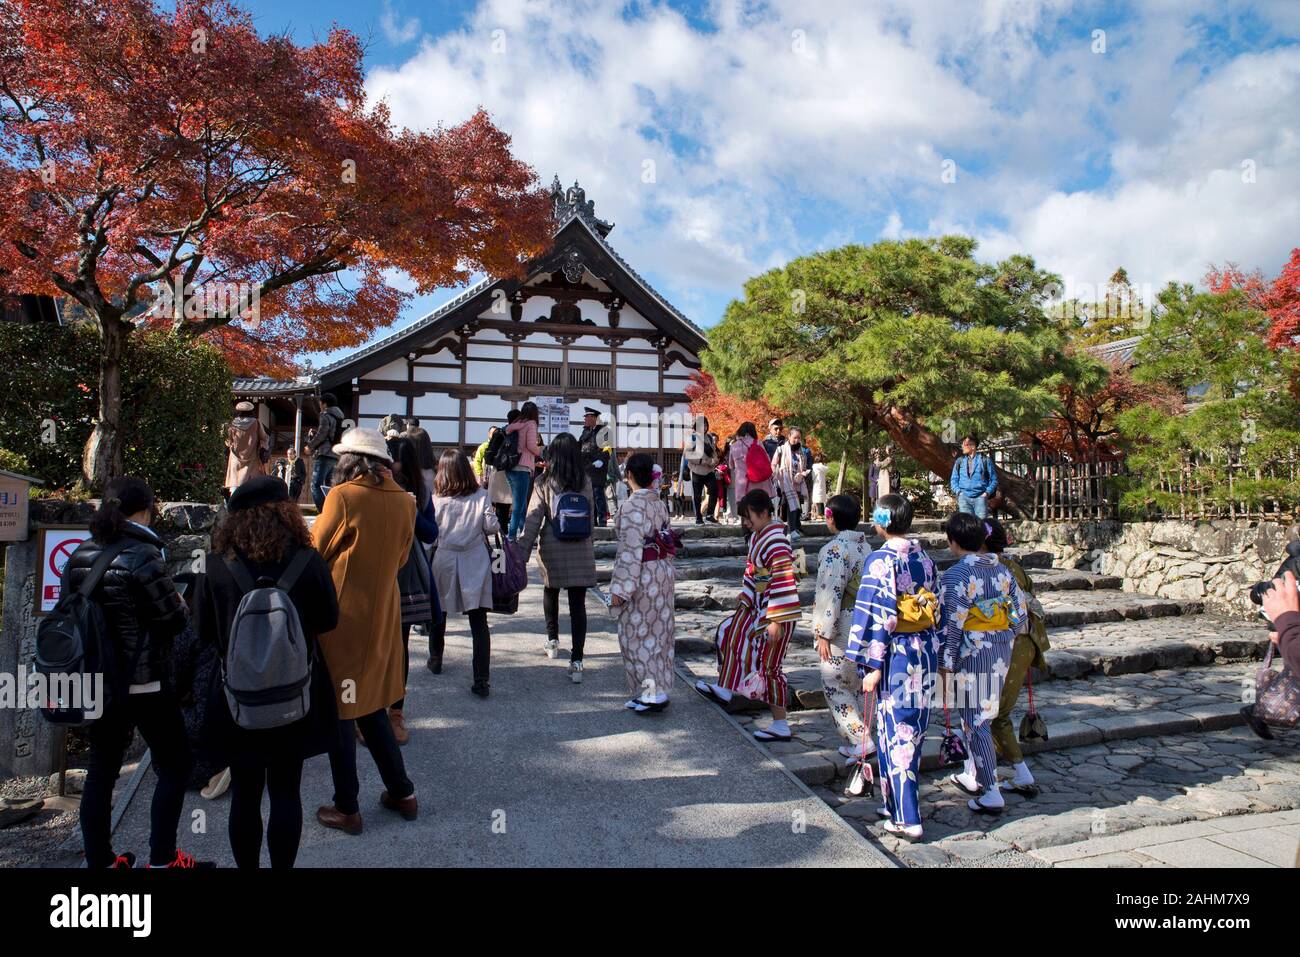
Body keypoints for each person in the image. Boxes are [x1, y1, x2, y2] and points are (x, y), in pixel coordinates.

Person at [195, 477, 339, 868]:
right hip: (295, 696)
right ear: (288, 512)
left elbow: (201, 631)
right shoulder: (307, 561)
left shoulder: (216, 565)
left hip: (236, 697)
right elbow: (329, 619)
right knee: (286, 792)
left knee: (244, 792)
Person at [63, 477, 198, 868]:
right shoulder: (144, 555)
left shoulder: (79, 555)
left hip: (97, 682)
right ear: (145, 509)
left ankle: (102, 862)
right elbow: (173, 622)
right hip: (145, 680)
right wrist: (180, 602)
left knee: (101, 770)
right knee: (174, 764)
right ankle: (162, 859)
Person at [312, 428, 418, 834]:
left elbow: (317, 549)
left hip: (345, 614)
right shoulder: (405, 501)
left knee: (343, 708)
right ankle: (402, 791)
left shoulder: (343, 496)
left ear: (349, 461)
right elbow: (405, 555)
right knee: (369, 704)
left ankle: (347, 806)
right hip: (385, 612)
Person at [845, 493, 940, 841]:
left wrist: (871, 665)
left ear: (883, 522)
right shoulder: (925, 559)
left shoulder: (881, 562)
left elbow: (877, 616)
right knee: (907, 729)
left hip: (895, 654)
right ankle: (891, 802)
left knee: (898, 732)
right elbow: (936, 606)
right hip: (924, 650)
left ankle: (908, 818)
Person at [938, 510, 1026, 816]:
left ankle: (991, 791)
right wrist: (1001, 634)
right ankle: (972, 773)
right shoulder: (1004, 572)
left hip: (971, 652)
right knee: (978, 715)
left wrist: (946, 662)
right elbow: (1020, 617)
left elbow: (951, 624)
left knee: (977, 720)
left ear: (953, 541)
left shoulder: (956, 576)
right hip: (1001, 648)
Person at [698, 489, 802, 741]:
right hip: (759, 604)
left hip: (775, 610)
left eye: (749, 517)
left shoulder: (776, 541)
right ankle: (725, 687)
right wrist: (746, 597)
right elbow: (753, 572)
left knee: (770, 666)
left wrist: (776, 619)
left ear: (765, 513)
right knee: (729, 633)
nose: (746, 523)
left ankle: (780, 724)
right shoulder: (760, 536)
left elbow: (783, 581)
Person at [517, 432, 596, 682]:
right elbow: (591, 517)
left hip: (553, 546)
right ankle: (578, 661)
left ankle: (552, 642)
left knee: (551, 591)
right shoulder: (585, 480)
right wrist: (588, 544)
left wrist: (521, 553)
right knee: (578, 605)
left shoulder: (543, 482)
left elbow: (532, 520)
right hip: (580, 547)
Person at [983, 518, 1049, 796]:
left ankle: (1020, 773)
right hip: (1022, 642)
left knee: (995, 714)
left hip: (1009, 643)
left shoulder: (992, 570)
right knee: (991, 712)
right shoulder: (1013, 567)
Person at [810, 494, 875, 765]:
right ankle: (864, 737)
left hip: (842, 626)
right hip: (865, 624)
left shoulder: (835, 550)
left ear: (831, 518)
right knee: (856, 685)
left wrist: (823, 632)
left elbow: (830, 592)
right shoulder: (867, 548)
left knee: (835, 684)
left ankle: (862, 740)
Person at [609, 452, 676, 712]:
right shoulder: (659, 503)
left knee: (636, 635)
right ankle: (653, 691)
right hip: (662, 572)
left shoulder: (630, 506)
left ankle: (650, 694)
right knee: (659, 634)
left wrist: (620, 590)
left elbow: (629, 550)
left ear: (629, 476)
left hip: (640, 575)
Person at [429, 449, 500, 697]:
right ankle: (481, 679)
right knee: (478, 621)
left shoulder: (436, 498)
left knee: (440, 612)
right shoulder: (480, 495)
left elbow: (430, 535)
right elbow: (492, 527)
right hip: (474, 558)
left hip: (445, 558)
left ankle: (435, 657)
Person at [387, 435, 440, 737]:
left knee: (400, 643)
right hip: (377, 567)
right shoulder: (372, 485)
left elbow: (431, 533)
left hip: (405, 571)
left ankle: (396, 711)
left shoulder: (418, 491)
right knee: (376, 645)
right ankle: (364, 709)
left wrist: (412, 511)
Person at [504, 402, 544, 540]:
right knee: (519, 505)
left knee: (519, 503)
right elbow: (532, 446)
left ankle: (522, 533)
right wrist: (542, 450)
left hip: (510, 467)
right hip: (522, 467)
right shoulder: (531, 424)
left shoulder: (515, 424)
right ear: (534, 413)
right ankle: (512, 536)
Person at [727, 421, 775, 517]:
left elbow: (731, 465)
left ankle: (746, 531)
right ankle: (760, 530)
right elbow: (767, 460)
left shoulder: (733, 446)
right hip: (759, 482)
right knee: (759, 508)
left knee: (744, 509)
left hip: (743, 483)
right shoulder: (758, 443)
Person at [307, 393, 344, 509]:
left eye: (320, 403)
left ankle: (323, 511)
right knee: (329, 485)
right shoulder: (339, 416)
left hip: (324, 453)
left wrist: (310, 445)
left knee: (316, 484)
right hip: (335, 454)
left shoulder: (325, 415)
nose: (320, 405)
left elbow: (322, 434)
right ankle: (332, 510)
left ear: (324, 404)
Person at [771, 426, 809, 540]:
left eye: (799, 438)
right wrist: (777, 474)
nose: (797, 440)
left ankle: (791, 530)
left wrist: (802, 474)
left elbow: (805, 466)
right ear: (789, 437)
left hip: (797, 482)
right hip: (784, 481)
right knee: (788, 506)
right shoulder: (781, 449)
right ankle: (790, 530)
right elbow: (773, 464)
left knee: (794, 507)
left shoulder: (802, 451)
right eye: (794, 438)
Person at [578, 407, 614, 527]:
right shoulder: (585, 431)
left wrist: (601, 460)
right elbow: (580, 445)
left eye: (587, 417)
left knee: (598, 493)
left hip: (598, 466)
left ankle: (602, 519)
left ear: (593, 418)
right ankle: (592, 520)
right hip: (586, 466)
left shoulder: (605, 431)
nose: (585, 420)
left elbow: (608, 448)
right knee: (588, 494)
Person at [682, 414, 720, 525]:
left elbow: (713, 452)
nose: (704, 427)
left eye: (705, 425)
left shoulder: (708, 437)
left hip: (709, 470)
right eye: (701, 425)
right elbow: (688, 455)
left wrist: (715, 460)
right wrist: (704, 462)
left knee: (714, 490)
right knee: (697, 495)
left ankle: (709, 514)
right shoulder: (692, 437)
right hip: (697, 470)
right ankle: (698, 517)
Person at [224, 401, 269, 495]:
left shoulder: (232, 424)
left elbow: (228, 441)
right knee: (251, 483)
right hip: (252, 456)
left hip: (235, 457)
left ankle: (233, 503)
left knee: (235, 482)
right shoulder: (256, 423)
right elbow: (264, 438)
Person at [949, 435, 997, 519]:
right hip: (964, 498)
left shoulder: (985, 460)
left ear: (973, 446)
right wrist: (959, 492)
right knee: (967, 527)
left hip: (980, 498)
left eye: (965, 444)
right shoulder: (959, 461)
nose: (962, 447)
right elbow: (954, 479)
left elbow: (994, 480)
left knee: (981, 526)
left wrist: (986, 493)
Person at [810, 454, 830, 518]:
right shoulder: (821, 466)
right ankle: (820, 514)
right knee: (820, 499)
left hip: (816, 483)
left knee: (817, 499)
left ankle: (818, 514)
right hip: (821, 484)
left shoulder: (813, 466)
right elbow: (827, 469)